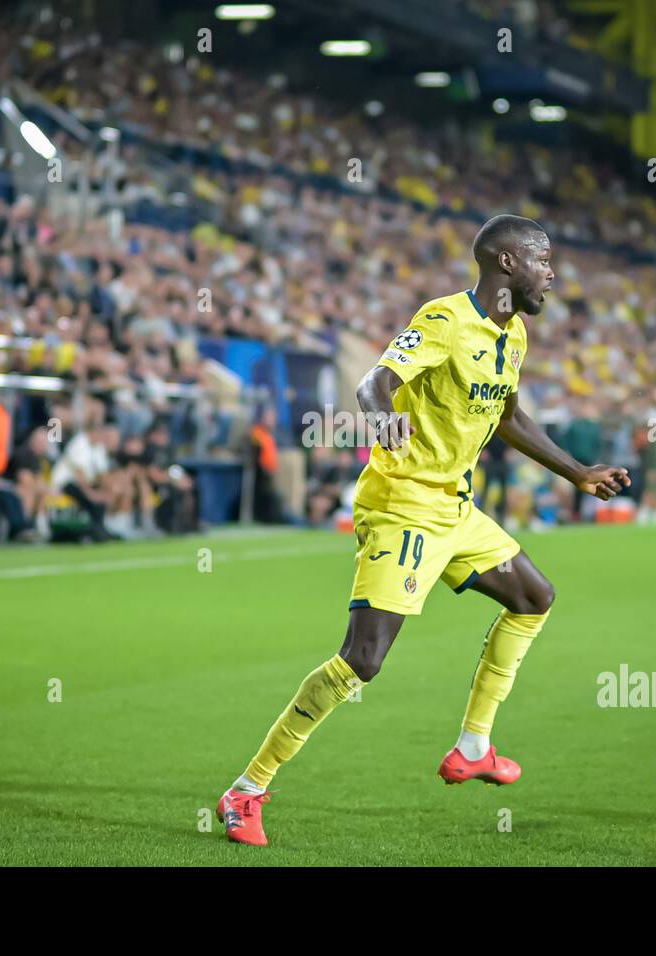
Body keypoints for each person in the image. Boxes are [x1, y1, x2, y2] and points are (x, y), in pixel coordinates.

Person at [215, 215, 631, 847]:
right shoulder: (444, 320)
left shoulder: (512, 333)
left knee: (533, 598)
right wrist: (383, 419)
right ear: (507, 264)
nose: (552, 272)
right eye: (543, 259)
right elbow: (371, 383)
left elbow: (510, 418)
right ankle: (246, 791)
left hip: (454, 508)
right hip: (404, 505)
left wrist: (576, 473)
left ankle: (473, 747)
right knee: (363, 661)